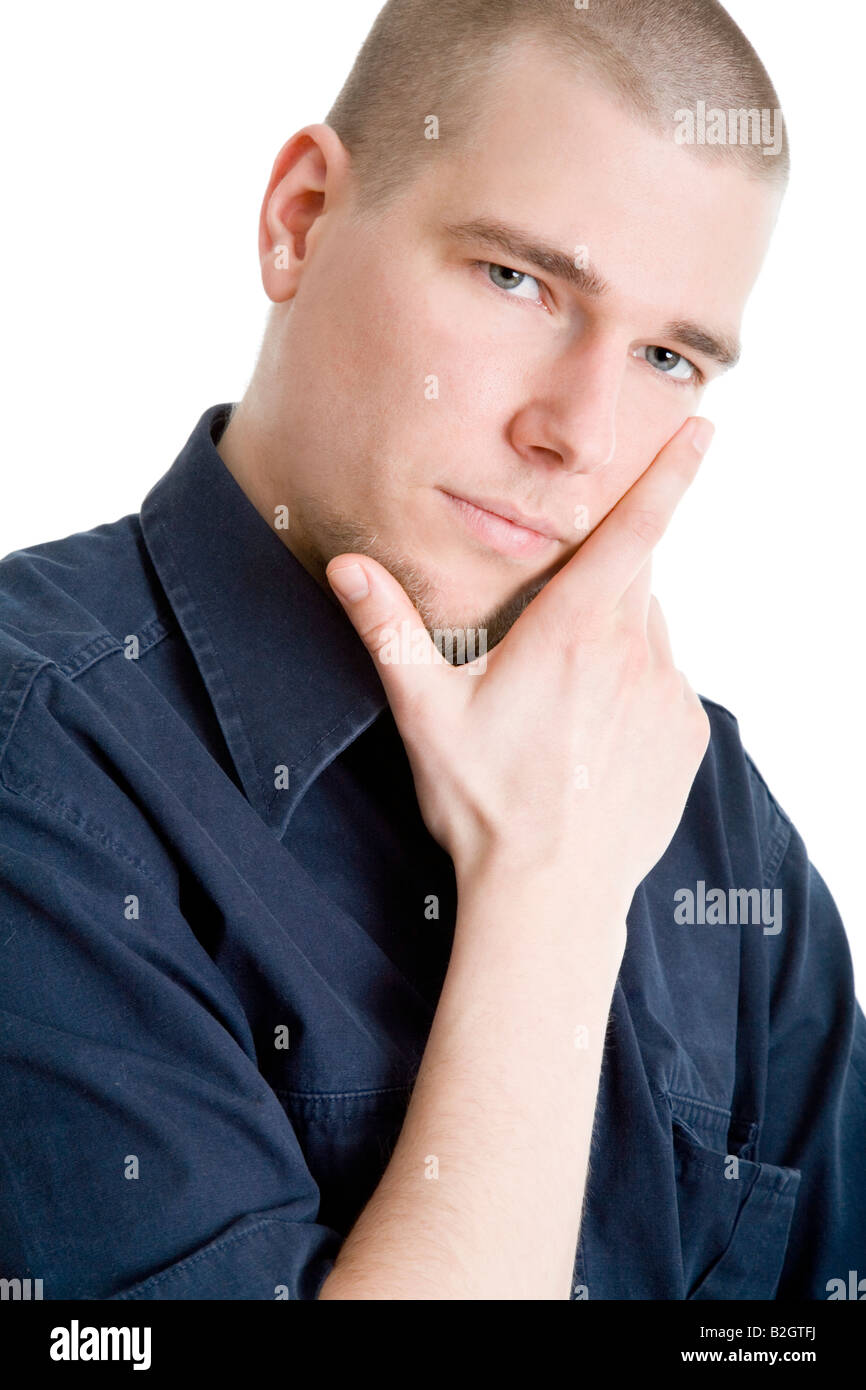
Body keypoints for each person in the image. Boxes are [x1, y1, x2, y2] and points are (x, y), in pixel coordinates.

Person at [0, 0, 863, 1302]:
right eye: (517, 281)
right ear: (298, 219)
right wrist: (548, 902)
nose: (575, 429)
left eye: (666, 354)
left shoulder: (706, 808)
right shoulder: (38, 761)